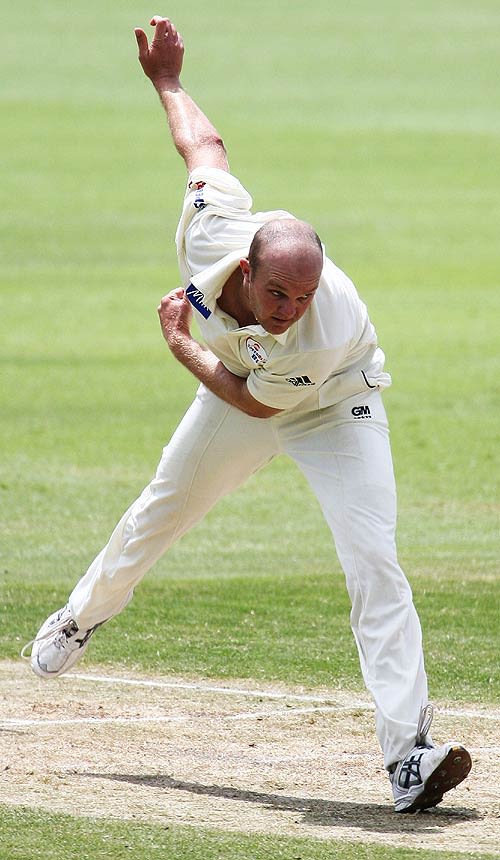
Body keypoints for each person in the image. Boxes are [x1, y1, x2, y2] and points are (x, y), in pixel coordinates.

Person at [23, 15, 471, 813]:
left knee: (374, 561)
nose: (290, 308)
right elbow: (205, 149)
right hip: (242, 387)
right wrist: (166, 80)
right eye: (277, 294)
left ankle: (408, 758)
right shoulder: (214, 230)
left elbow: (251, 397)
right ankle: (81, 616)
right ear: (247, 264)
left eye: (302, 295)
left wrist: (179, 344)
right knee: (156, 516)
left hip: (333, 405)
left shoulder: (322, 327)